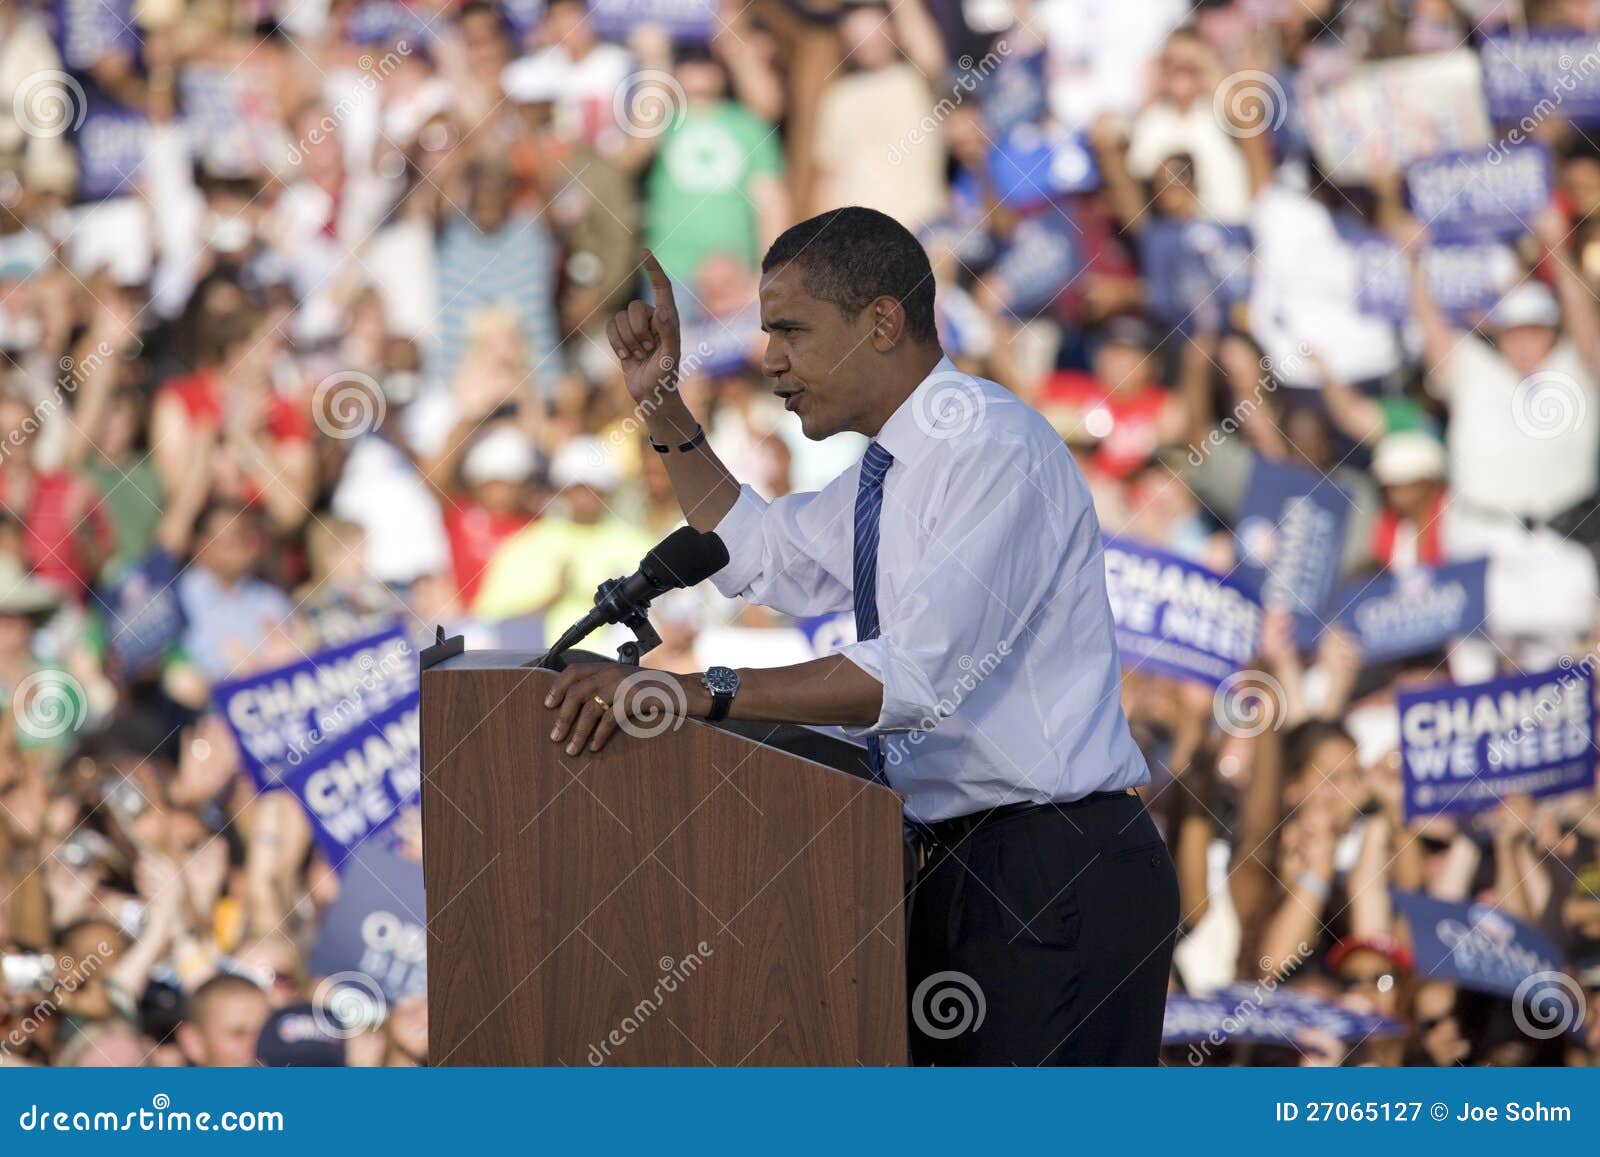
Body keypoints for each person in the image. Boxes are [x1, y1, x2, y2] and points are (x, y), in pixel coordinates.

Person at [544, 207, 1179, 1065]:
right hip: (960, 865)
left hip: (1051, 868)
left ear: (881, 321)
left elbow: (912, 678)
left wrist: (686, 691)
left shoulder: (989, 447)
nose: (770, 358)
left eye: (791, 330)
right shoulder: (894, 465)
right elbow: (761, 554)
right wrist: (660, 403)